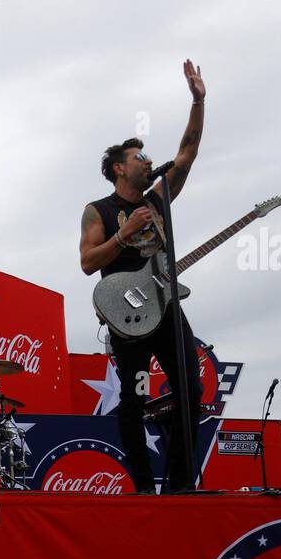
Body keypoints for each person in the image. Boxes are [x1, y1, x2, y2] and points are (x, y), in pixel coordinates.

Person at [80, 60, 206, 493]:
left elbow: (187, 153)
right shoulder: (99, 210)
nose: (148, 159)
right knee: (133, 400)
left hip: (166, 307)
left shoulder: (160, 196)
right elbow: (87, 262)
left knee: (192, 391)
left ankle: (178, 485)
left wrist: (198, 100)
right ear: (119, 167)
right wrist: (124, 233)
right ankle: (142, 489)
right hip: (128, 316)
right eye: (139, 156)